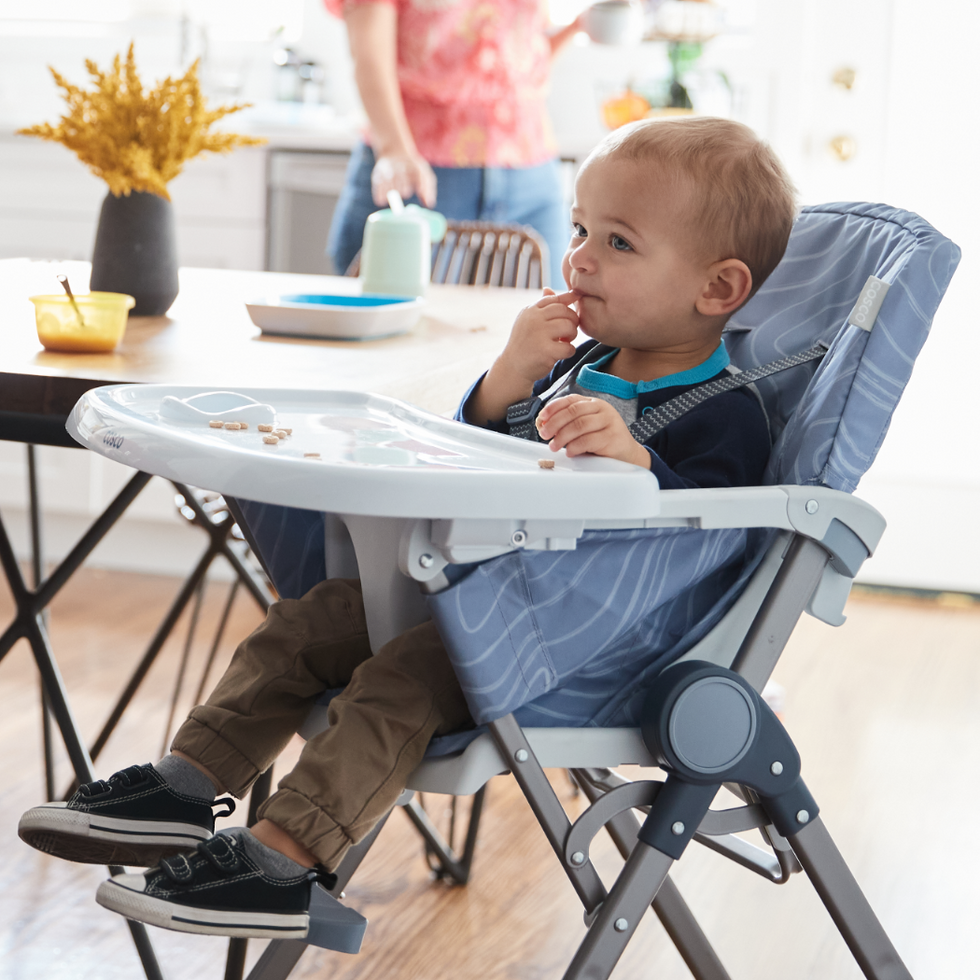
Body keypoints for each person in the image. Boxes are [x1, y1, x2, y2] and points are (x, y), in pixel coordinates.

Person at [18, 117, 796, 940]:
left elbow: (714, 539)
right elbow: (481, 458)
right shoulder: (574, 365)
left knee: (412, 673)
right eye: (578, 230)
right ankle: (184, 785)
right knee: (312, 621)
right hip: (483, 594)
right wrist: (503, 382)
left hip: (580, 642)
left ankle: (281, 861)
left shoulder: (725, 412)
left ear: (717, 291)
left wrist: (640, 465)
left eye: (619, 242)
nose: (580, 258)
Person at [324, 0, 584, 286]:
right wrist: (394, 150)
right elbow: (370, 59)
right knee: (393, 314)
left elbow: (519, 61)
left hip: (531, 172)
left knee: (555, 313)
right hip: (422, 174)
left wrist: (577, 28)